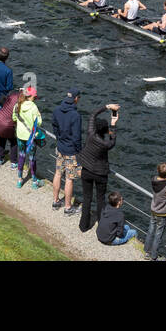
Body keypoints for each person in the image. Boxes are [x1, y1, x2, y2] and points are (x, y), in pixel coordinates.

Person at [77, 103, 119, 234]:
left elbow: (93, 114)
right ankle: (101, 225)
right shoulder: (106, 144)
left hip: (87, 171)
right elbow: (112, 139)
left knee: (87, 198)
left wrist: (107, 106)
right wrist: (113, 124)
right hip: (100, 174)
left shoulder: (90, 133)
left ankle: (84, 225)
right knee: (101, 199)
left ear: (95, 128)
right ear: (105, 131)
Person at [51, 88, 82, 216]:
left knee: (58, 173)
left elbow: (54, 126)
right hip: (71, 151)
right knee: (69, 179)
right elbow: (77, 137)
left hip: (60, 147)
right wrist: (79, 151)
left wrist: (59, 139)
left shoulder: (57, 110)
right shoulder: (76, 115)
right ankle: (68, 207)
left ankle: (55, 201)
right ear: (76, 99)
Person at [13, 86, 43, 189]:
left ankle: (20, 180)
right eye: (34, 97)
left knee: (21, 155)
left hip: (20, 135)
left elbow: (14, 117)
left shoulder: (17, 105)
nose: (35, 98)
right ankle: (34, 181)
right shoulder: (33, 107)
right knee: (32, 158)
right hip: (31, 137)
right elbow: (39, 122)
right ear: (31, 96)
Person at [146, 163, 166, 260]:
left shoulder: (153, 180)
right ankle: (154, 256)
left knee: (150, 230)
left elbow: (161, 182)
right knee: (158, 235)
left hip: (153, 210)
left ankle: (147, 251)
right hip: (162, 214)